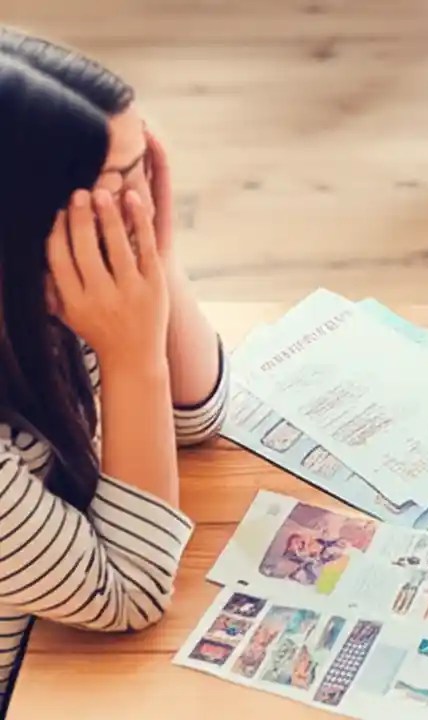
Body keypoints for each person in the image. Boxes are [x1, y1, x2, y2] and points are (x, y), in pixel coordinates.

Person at [0, 28, 229, 711]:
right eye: (112, 193)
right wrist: (132, 357)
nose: (135, 210)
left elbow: (194, 418)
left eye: (143, 180)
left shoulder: (37, 306)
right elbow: (130, 590)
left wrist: (157, 255)